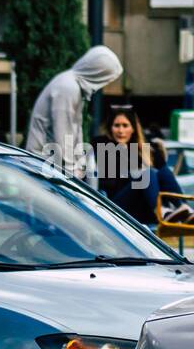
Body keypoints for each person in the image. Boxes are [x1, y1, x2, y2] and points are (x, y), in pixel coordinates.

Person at [25, 45, 122, 181]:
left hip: (50, 165)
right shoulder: (68, 88)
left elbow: (75, 130)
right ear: (97, 72)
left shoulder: (73, 86)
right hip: (44, 165)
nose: (103, 85)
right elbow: (64, 134)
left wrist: (80, 164)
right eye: (105, 78)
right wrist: (73, 176)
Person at [92, 104, 159, 226]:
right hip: (114, 205)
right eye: (116, 125)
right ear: (110, 128)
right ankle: (160, 213)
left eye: (125, 126)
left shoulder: (138, 150)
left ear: (133, 129)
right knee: (148, 173)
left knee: (162, 171)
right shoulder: (102, 145)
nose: (121, 131)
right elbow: (108, 184)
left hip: (137, 206)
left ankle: (181, 207)